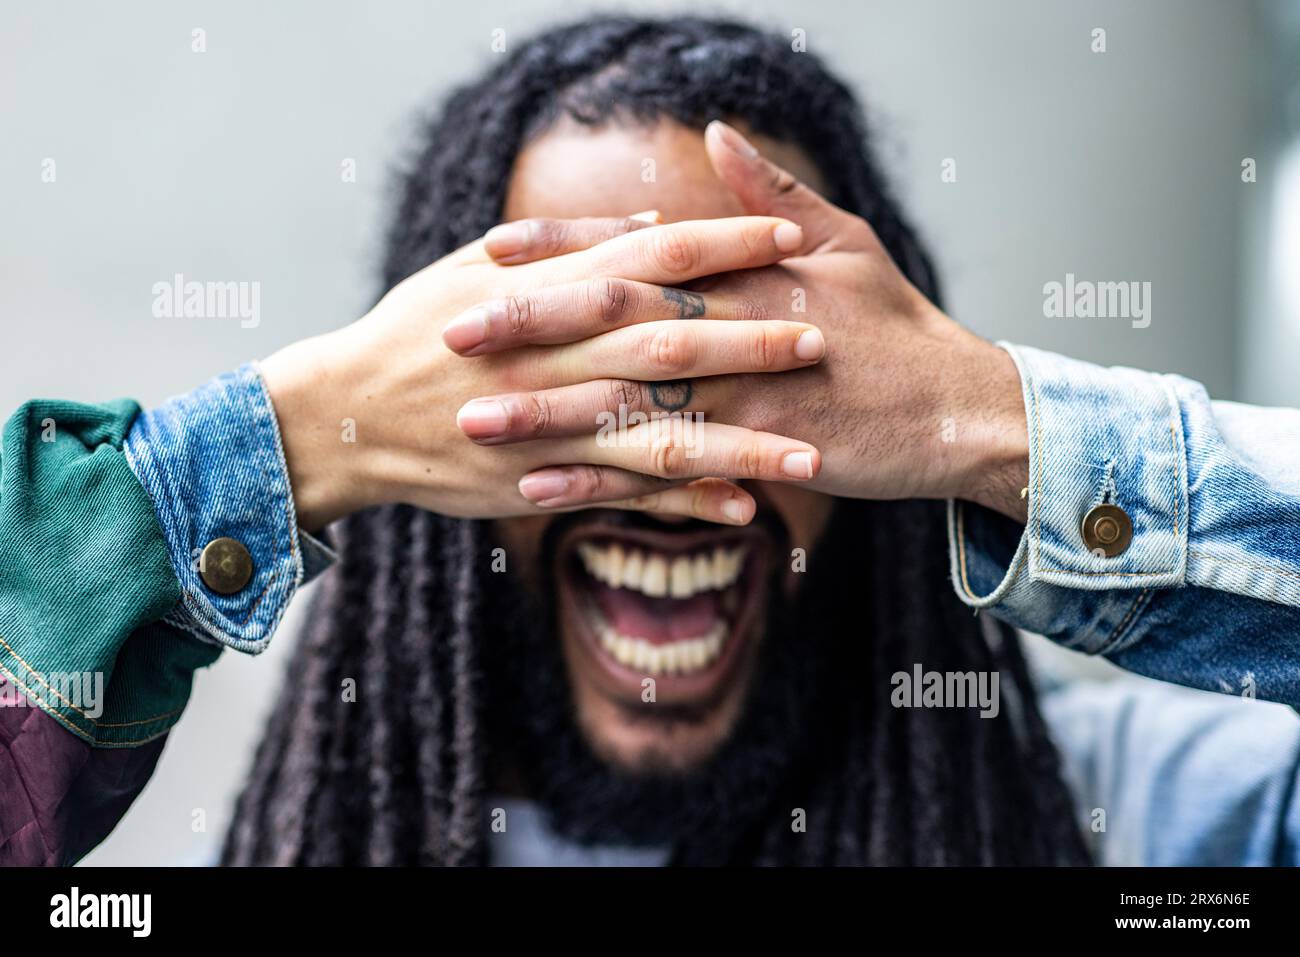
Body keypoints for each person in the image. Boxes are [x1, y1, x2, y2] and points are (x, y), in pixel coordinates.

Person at [2, 16, 1298, 867]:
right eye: (571, 367)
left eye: (758, 370)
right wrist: (274, 446)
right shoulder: (343, 816)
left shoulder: (1147, 821)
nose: (671, 467)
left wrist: (1002, 424)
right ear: (420, 432)